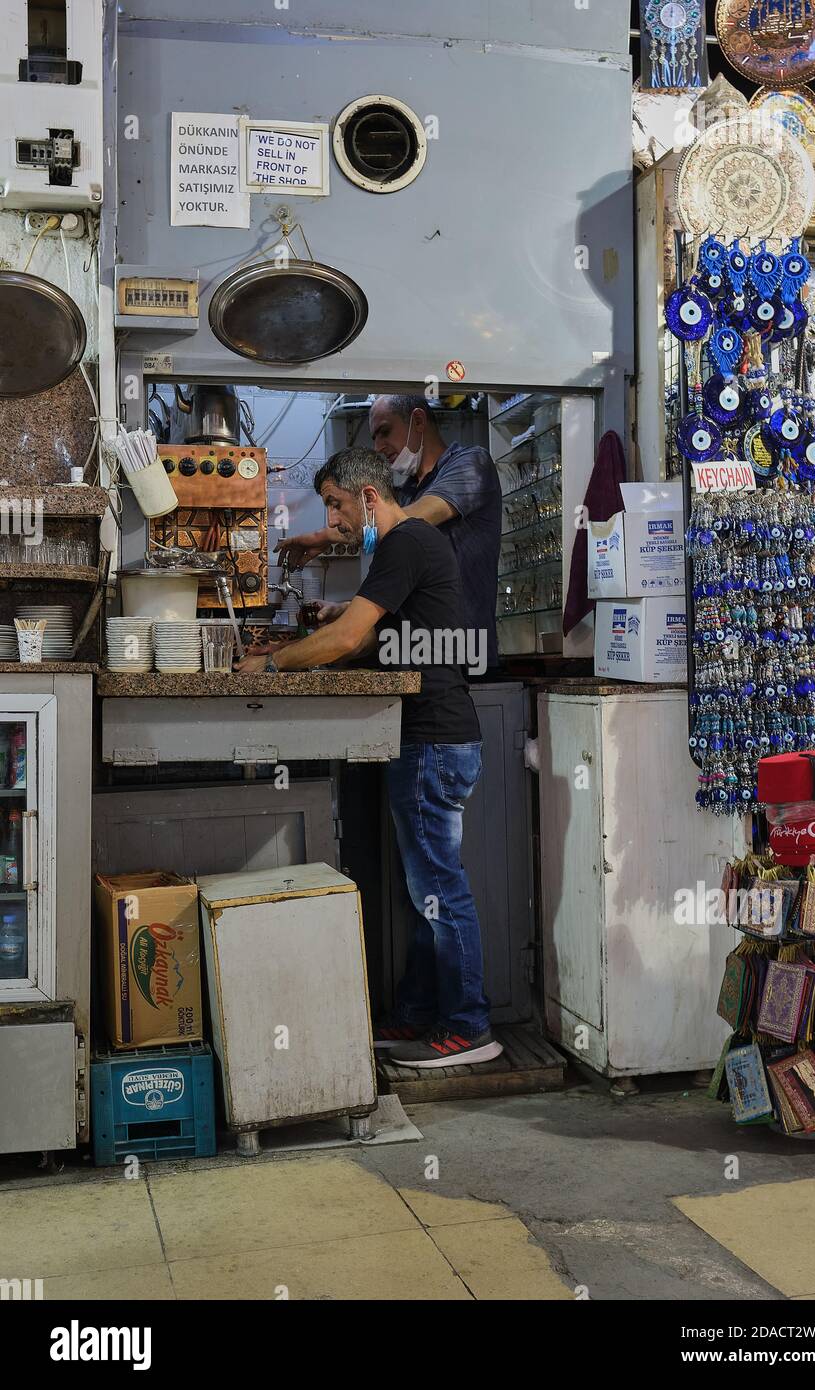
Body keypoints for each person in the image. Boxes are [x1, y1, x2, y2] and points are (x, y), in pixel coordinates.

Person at [240, 447, 502, 1069]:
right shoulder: (401, 545)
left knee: (439, 887)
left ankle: (470, 1026)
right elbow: (383, 635)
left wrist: (272, 663)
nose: (331, 517)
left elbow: (353, 637)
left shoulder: (404, 542)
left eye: (334, 503)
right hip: (433, 737)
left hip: (432, 739)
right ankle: (418, 1014)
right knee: (424, 890)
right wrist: (328, 630)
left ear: (368, 497)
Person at [275, 394, 502, 671]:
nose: (378, 446)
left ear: (418, 421)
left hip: (465, 654)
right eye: (374, 437)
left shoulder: (470, 464)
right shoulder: (406, 492)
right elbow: (406, 587)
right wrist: (348, 609)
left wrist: (326, 536)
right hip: (417, 657)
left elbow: (407, 521)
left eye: (385, 432)